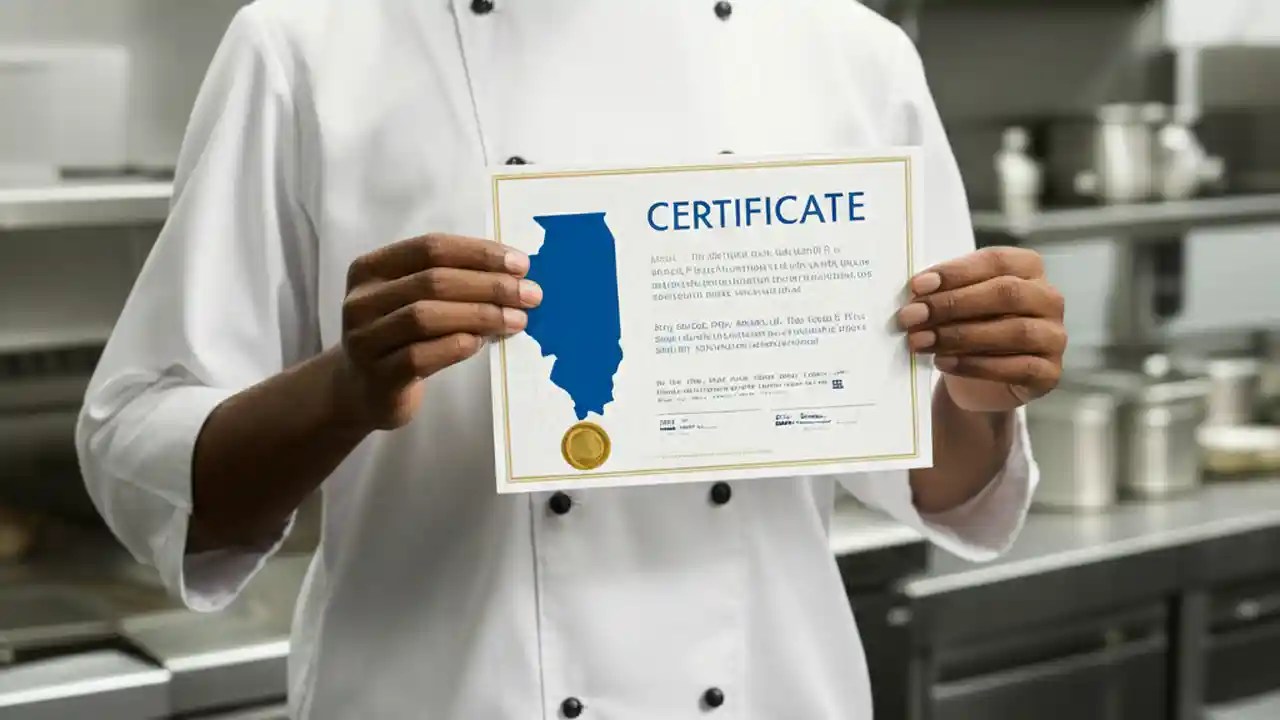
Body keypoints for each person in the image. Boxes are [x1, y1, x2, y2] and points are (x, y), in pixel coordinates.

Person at [77, 1, 1067, 717]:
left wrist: (978, 390)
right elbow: (140, 438)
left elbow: (933, 473)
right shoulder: (307, 45)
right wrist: (341, 390)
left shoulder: (851, 54)